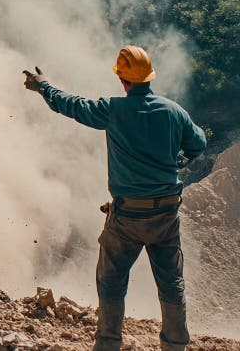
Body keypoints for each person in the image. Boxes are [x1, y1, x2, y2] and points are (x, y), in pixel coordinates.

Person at [23, 45, 206, 351]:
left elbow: (73, 106)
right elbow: (198, 143)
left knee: (111, 282)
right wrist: (178, 161)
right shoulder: (174, 112)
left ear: (122, 80)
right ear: (149, 77)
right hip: (165, 214)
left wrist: (44, 87)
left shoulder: (114, 109)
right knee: (171, 284)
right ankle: (175, 345)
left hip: (127, 217)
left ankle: (108, 344)